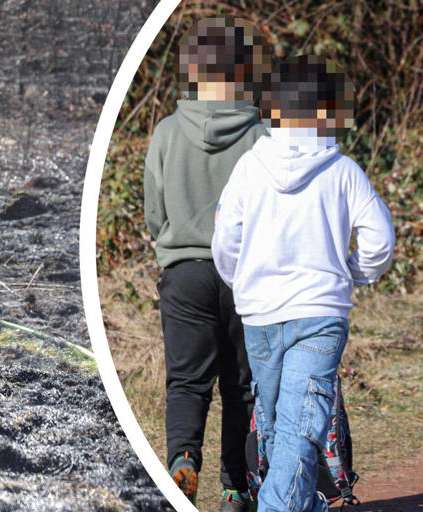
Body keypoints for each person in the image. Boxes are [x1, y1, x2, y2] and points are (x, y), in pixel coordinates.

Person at [211, 55, 395, 512]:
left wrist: (245, 282)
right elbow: (380, 239)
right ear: (326, 111)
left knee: (280, 424)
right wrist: (356, 272)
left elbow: (225, 242)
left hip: (259, 314)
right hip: (320, 313)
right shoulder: (343, 170)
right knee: (291, 425)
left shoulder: (248, 168)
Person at [143, 17, 272, 511]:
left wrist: (174, 245)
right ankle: (237, 488)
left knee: (188, 383)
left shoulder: (167, 132)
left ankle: (183, 461)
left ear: (192, 70)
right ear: (242, 70)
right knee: (243, 386)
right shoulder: (262, 136)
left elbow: (155, 214)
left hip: (185, 274)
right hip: (247, 276)